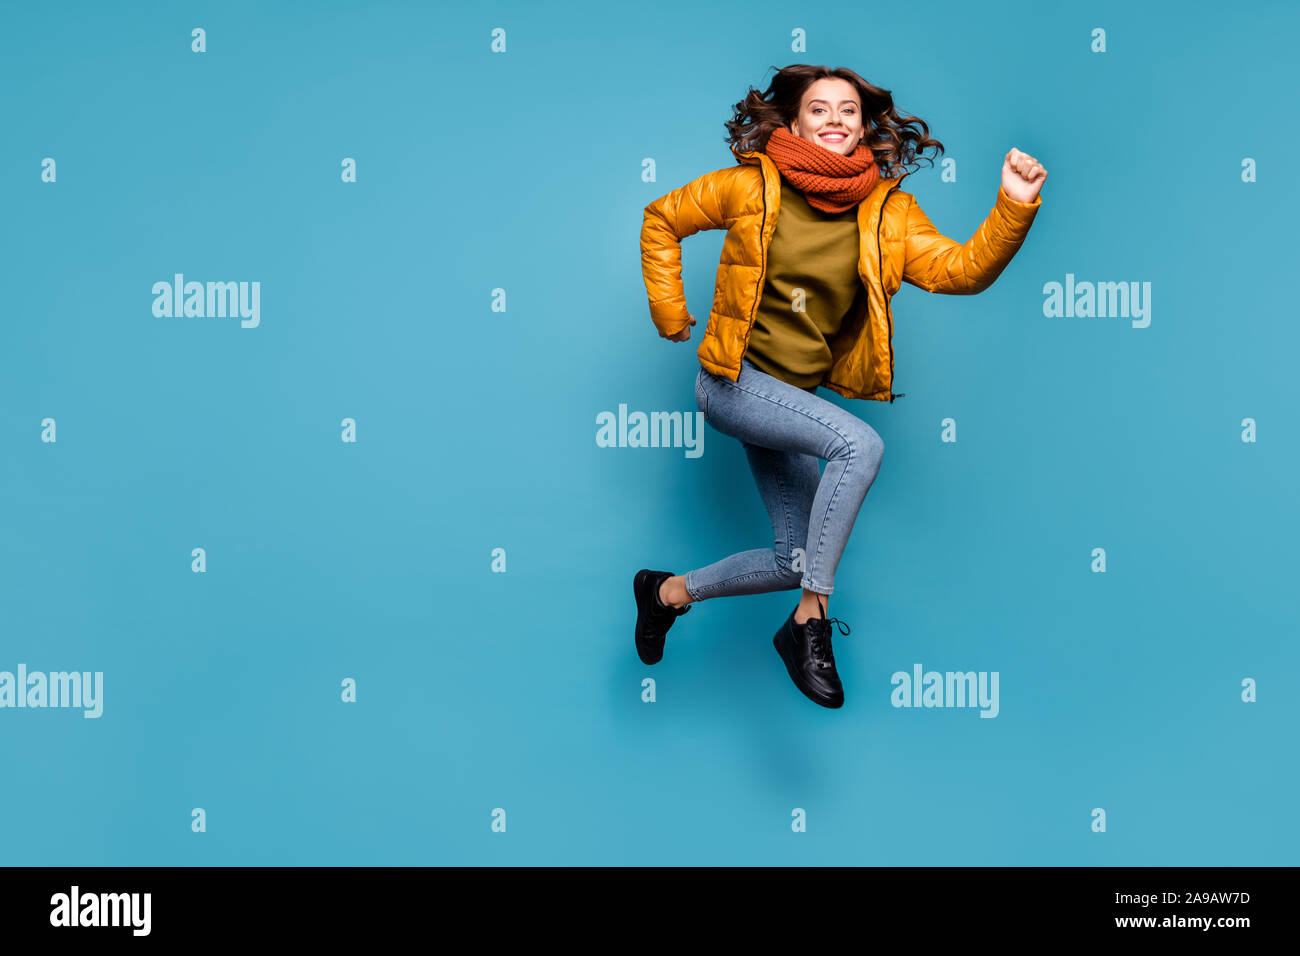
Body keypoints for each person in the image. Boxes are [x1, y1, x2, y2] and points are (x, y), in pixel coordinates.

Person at [634, 64, 1046, 708]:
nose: (834, 119)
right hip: (734, 384)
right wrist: (669, 312)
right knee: (860, 446)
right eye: (819, 108)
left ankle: (663, 594)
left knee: (793, 559)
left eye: (847, 110)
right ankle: (810, 620)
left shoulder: (888, 212)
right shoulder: (750, 186)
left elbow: (959, 271)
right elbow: (662, 218)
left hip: (793, 402)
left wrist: (1013, 205)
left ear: (862, 126)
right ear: (796, 123)